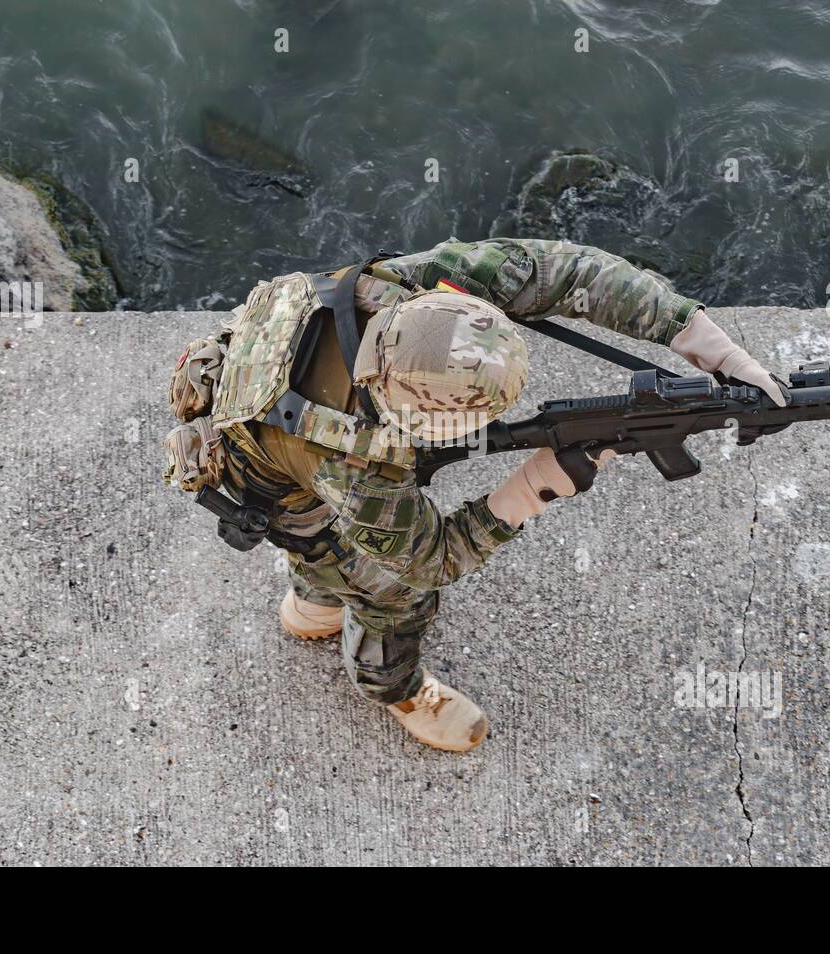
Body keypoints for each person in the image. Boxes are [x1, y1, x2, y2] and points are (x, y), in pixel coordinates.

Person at [164, 238, 785, 751]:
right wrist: (536, 485)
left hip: (262, 411)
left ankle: (314, 601)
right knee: (392, 596)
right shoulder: (355, 466)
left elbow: (568, 272)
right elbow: (432, 561)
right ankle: (393, 685)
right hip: (274, 484)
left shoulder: (415, 296)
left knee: (330, 559)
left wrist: (712, 347)